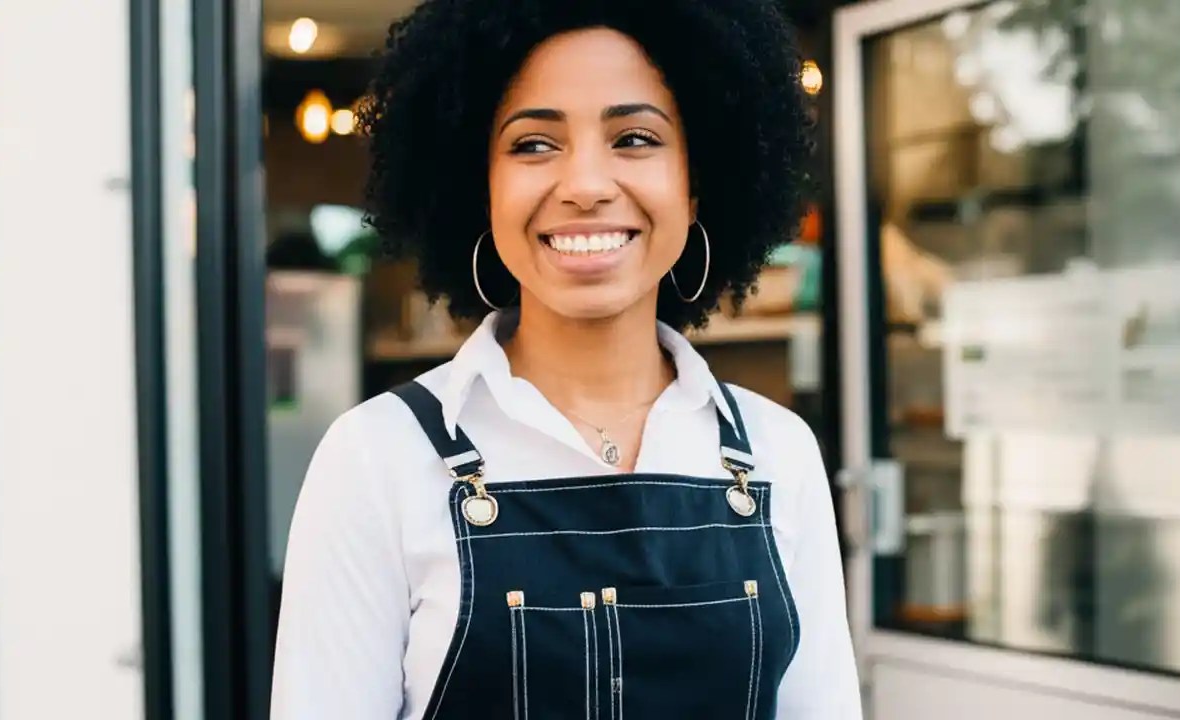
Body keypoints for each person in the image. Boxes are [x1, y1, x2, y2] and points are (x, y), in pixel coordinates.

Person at [271, 0, 862, 717]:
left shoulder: (776, 454)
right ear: (476, 185)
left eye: (636, 138)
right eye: (533, 144)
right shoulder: (377, 458)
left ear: (697, 179)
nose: (585, 184)